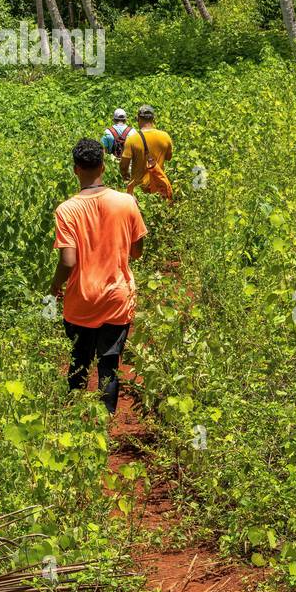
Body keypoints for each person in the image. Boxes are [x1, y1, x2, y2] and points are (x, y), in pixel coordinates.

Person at [50, 138, 146, 414]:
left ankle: (73, 422)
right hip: (117, 297)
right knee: (109, 364)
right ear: (104, 166)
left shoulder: (66, 209)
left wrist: (53, 288)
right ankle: (105, 423)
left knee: (79, 361)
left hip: (81, 300)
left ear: (75, 169)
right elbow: (136, 252)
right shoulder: (126, 202)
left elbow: (68, 261)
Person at [120, 105, 174, 201]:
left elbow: (124, 166)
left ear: (139, 119)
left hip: (138, 192)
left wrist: (126, 177)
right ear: (153, 119)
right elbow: (168, 157)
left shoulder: (132, 140)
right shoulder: (165, 137)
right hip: (158, 188)